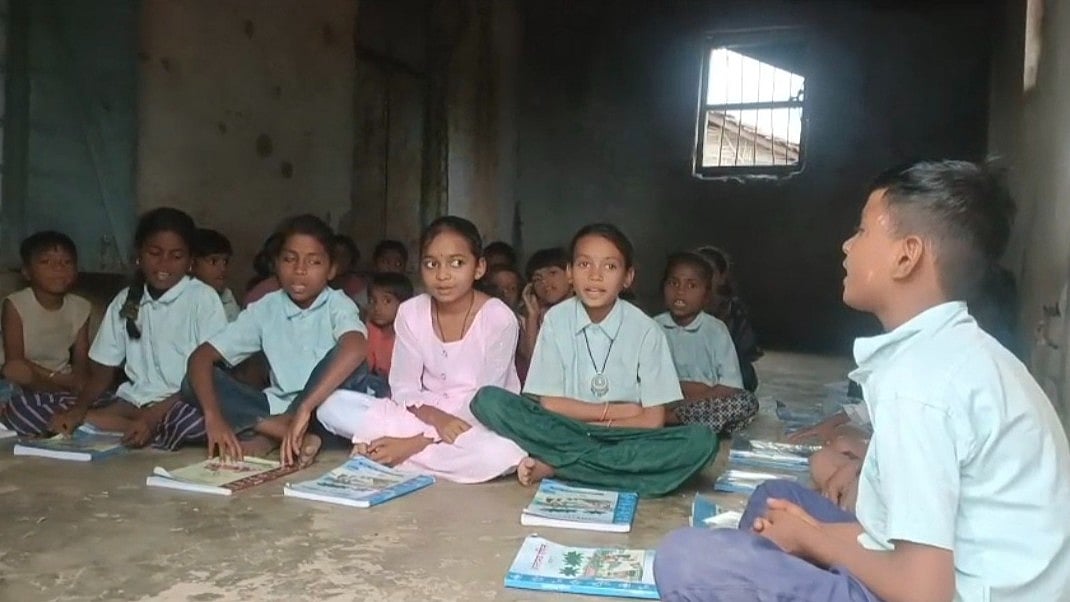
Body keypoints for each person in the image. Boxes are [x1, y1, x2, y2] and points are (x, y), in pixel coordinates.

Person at [654, 160, 1070, 601]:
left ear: (906, 256)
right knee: (776, 500)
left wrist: (814, 539)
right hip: (947, 572)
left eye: (863, 231)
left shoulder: (923, 381)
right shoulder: (953, 351)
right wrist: (808, 531)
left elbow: (925, 591)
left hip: (942, 592)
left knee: (687, 560)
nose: (847, 246)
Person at [470, 224, 717, 497]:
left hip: (622, 436)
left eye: (609, 267)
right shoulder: (556, 319)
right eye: (584, 264)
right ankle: (613, 473)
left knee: (701, 442)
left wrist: (603, 428)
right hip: (564, 427)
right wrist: (618, 411)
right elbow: (550, 403)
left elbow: (652, 420)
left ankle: (558, 465)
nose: (595, 276)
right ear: (570, 273)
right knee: (488, 400)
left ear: (628, 277)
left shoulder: (647, 331)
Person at [316, 216, 527, 483]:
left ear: (479, 267)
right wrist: (434, 419)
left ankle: (387, 454)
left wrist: (412, 444)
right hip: (421, 412)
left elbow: (487, 400)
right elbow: (403, 386)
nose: (442, 275)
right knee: (330, 406)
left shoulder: (499, 318)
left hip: (478, 421)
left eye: (457, 263)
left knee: (504, 452)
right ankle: (405, 454)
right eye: (431, 264)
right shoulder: (411, 311)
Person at [7, 208, 227, 450]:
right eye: (155, 253)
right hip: (131, 401)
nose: (164, 264)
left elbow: (212, 376)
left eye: (176, 256)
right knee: (23, 409)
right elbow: (103, 374)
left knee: (197, 423)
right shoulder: (126, 300)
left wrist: (152, 416)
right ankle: (121, 424)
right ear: (138, 255)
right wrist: (78, 411)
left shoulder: (202, 299)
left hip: (182, 400)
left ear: (190, 262)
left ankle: (123, 425)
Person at [183, 215, 372, 467]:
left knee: (353, 364)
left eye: (313, 261)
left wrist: (303, 409)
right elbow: (201, 357)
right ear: (275, 264)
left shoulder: (337, 305)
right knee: (191, 382)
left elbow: (356, 347)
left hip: (322, 405)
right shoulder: (266, 308)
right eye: (289, 259)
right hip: (273, 408)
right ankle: (277, 429)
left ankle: (278, 433)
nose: (300, 270)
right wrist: (213, 417)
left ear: (331, 270)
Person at [655, 251, 758, 434]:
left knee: (746, 403)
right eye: (673, 283)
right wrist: (689, 388)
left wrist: (689, 398)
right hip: (662, 400)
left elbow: (729, 387)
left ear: (706, 296)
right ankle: (687, 424)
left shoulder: (716, 330)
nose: (680, 291)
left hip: (704, 402)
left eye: (692, 285)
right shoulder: (652, 327)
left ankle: (671, 420)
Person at [0, 231, 92, 398]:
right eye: (46, 262)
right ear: (27, 272)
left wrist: (78, 380)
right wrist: (56, 379)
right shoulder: (16, 304)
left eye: (67, 262)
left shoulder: (81, 307)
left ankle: (59, 399)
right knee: (15, 370)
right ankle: (57, 396)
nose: (58, 268)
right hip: (26, 376)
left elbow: (81, 359)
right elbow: (15, 358)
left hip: (64, 377)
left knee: (90, 384)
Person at [695, 245, 761, 391]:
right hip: (688, 370)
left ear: (722, 277)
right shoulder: (682, 304)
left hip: (723, 370)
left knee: (745, 375)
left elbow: (744, 351)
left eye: (709, 272)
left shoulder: (733, 310)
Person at [518, 247, 572, 372]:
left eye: (552, 273)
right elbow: (534, 366)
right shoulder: (539, 317)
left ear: (571, 274)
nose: (544, 282)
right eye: (537, 279)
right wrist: (532, 316)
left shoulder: (587, 310)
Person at [365, 271, 414, 379]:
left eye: (387, 301)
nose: (377, 307)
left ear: (405, 304)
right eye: (372, 301)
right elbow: (366, 368)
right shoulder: (370, 330)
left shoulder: (412, 334)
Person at [191, 228, 241, 322]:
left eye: (225, 262)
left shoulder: (227, 298)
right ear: (192, 263)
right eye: (213, 261)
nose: (223, 269)